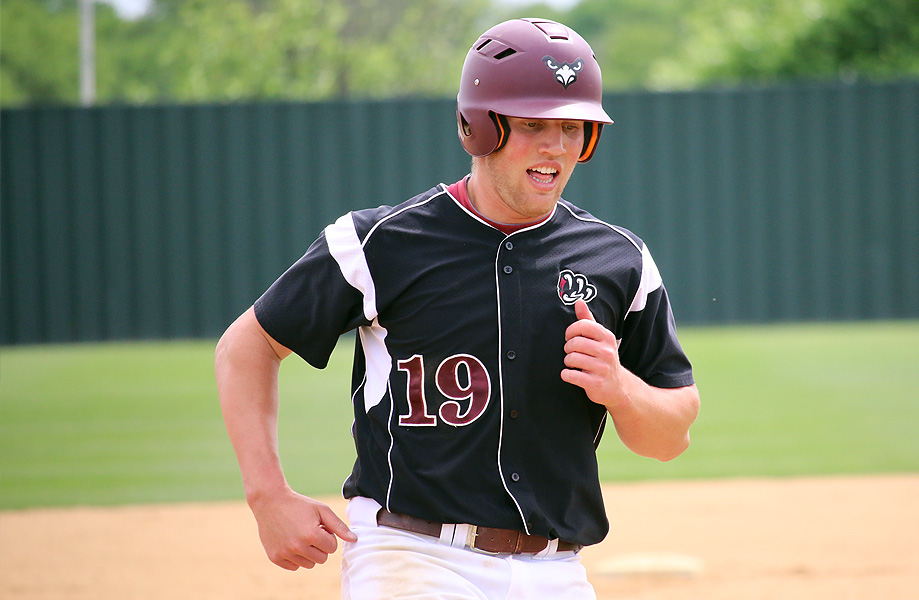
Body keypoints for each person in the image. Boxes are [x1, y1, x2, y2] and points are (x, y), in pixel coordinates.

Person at [216, 17, 699, 599]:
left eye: (572, 127)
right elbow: (247, 346)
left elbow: (670, 437)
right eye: (533, 124)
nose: (555, 146)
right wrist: (268, 496)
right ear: (480, 126)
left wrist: (620, 387)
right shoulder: (381, 242)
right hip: (411, 555)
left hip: (556, 569)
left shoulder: (619, 260)